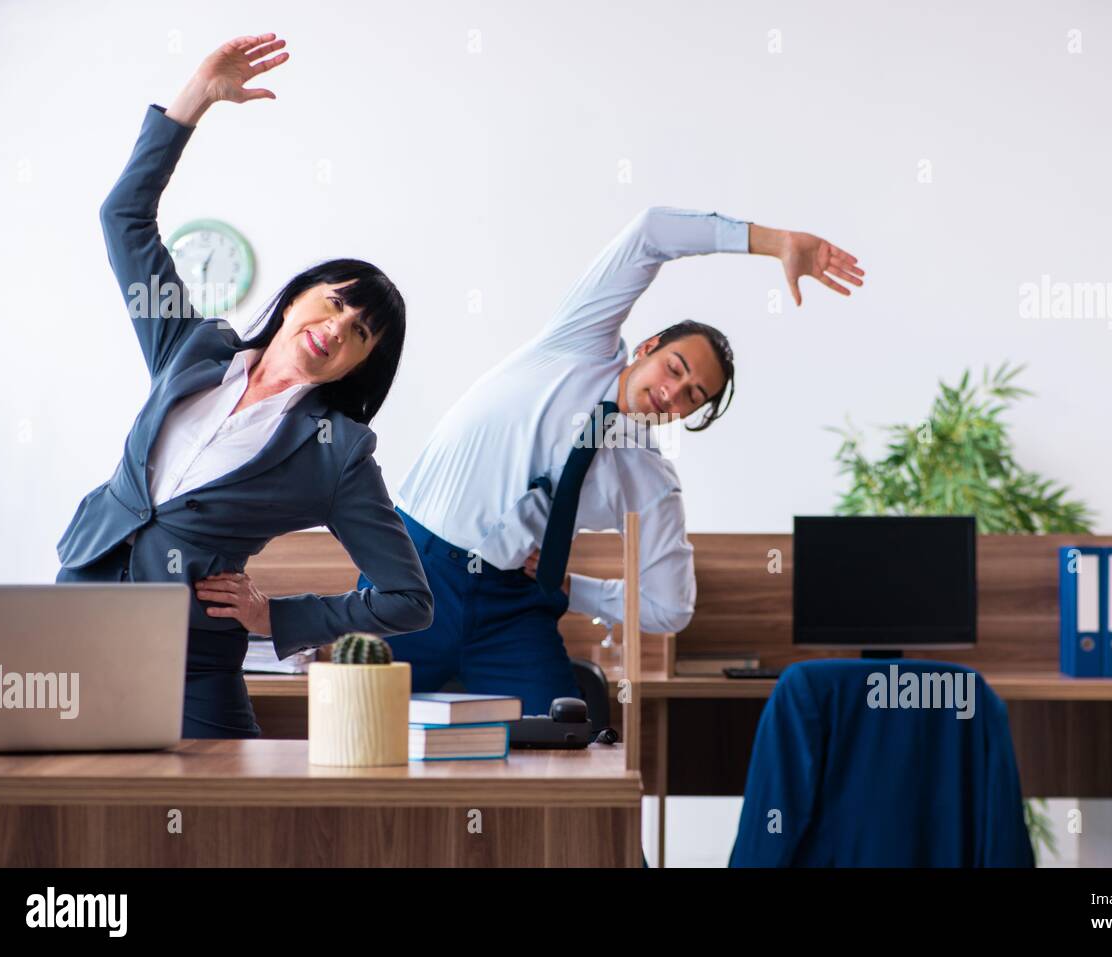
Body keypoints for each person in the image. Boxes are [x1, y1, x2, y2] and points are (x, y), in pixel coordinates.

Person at [56, 33, 433, 739]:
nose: (340, 325)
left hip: (192, 658)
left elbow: (409, 597)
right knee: (57, 814)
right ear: (296, 298)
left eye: (361, 333)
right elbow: (124, 221)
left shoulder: (337, 452)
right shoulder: (189, 347)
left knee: (230, 828)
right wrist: (194, 98)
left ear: (356, 366)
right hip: (80, 607)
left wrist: (278, 616)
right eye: (336, 300)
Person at [360, 205, 862, 715]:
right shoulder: (577, 346)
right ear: (646, 347)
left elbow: (670, 606)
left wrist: (577, 589)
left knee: (564, 746)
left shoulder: (647, 476)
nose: (672, 392)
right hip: (412, 572)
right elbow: (652, 233)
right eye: (675, 368)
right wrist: (776, 242)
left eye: (692, 395)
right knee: (358, 732)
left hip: (509, 611)